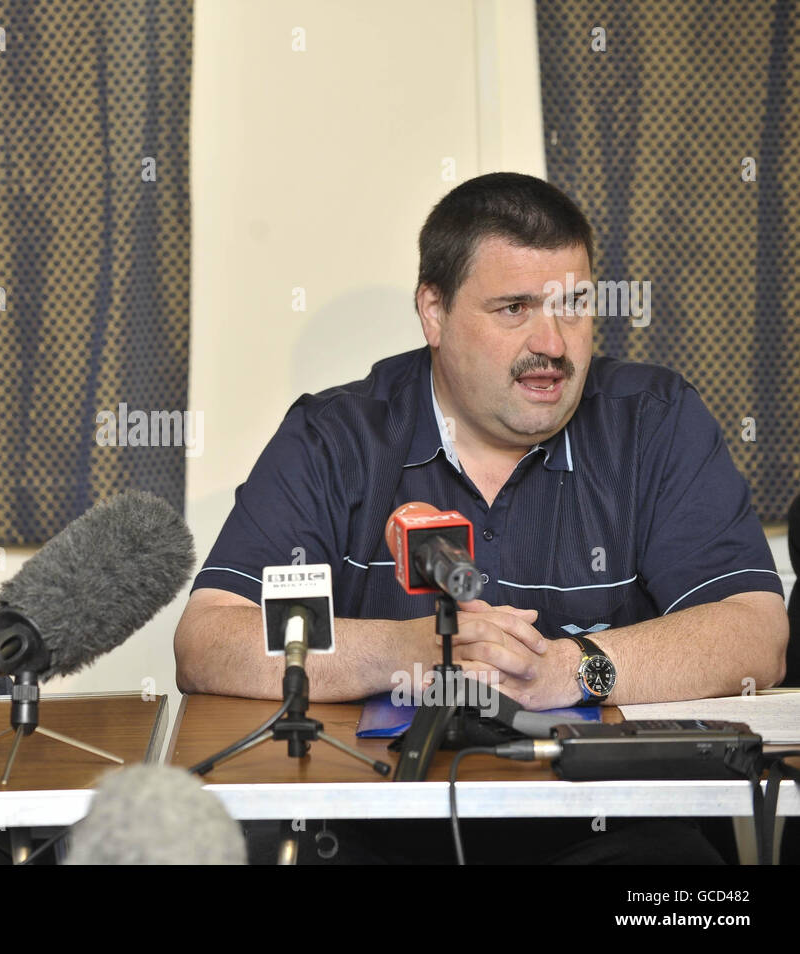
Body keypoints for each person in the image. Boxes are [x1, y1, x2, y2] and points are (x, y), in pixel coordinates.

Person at [174, 173, 787, 863]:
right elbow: (209, 641)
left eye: (573, 305)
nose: (553, 344)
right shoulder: (336, 438)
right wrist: (413, 653)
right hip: (374, 826)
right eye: (515, 308)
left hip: (612, 827)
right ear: (433, 313)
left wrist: (573, 670)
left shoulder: (653, 421)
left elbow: (755, 631)